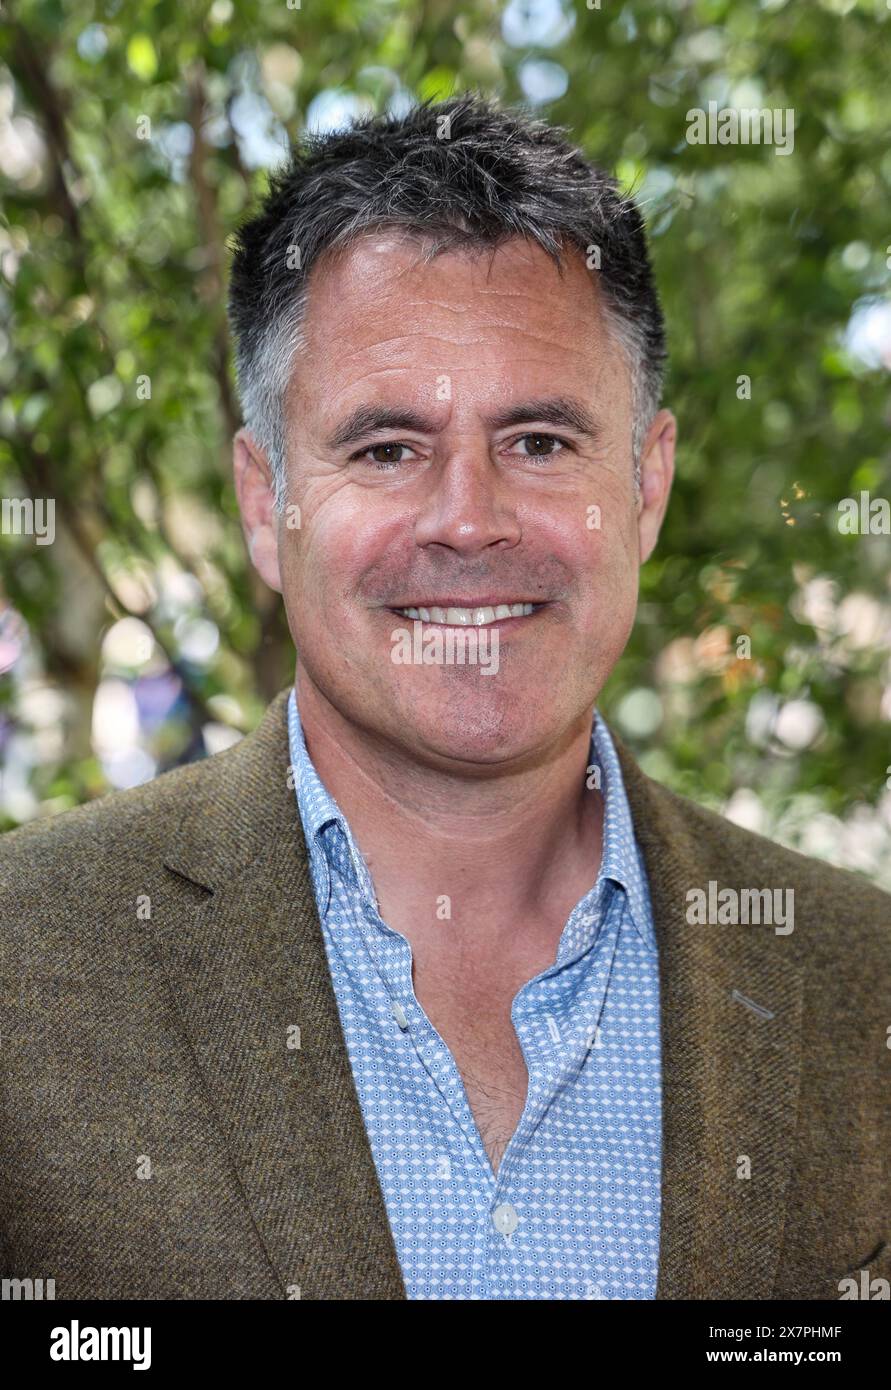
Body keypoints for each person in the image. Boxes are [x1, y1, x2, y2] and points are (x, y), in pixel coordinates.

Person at [1, 93, 888, 1302]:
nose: (469, 518)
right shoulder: (27, 965)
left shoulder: (862, 981)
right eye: (385, 449)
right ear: (267, 505)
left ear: (647, 484)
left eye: (537, 440)